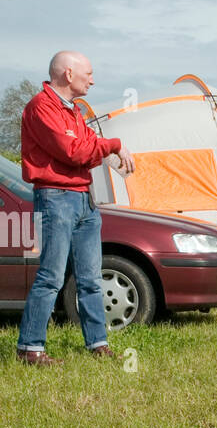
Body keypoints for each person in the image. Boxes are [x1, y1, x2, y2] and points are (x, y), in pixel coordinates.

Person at [16, 51, 135, 366]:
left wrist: (102, 148)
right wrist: (113, 144)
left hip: (84, 198)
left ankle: (98, 343)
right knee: (51, 276)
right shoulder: (41, 107)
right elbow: (73, 151)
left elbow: (88, 151)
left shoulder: (74, 111)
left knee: (91, 278)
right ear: (69, 74)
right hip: (56, 198)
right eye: (89, 74)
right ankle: (30, 348)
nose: (93, 80)